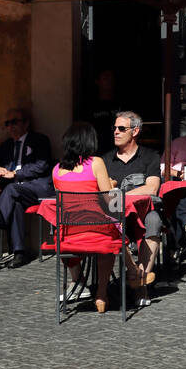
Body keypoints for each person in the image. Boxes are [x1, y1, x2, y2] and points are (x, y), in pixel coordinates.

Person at [53, 121, 123, 314]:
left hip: (69, 232)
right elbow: (109, 198)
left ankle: (78, 280)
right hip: (96, 228)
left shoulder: (57, 170)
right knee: (111, 238)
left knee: (62, 235)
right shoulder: (96, 163)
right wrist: (111, 182)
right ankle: (101, 293)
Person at [0, 107, 54, 266]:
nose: (10, 126)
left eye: (14, 122)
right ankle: (19, 253)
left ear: (26, 123)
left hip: (39, 188)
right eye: (7, 123)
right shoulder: (7, 146)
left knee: (11, 189)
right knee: (14, 200)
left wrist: (16, 174)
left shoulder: (40, 140)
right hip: (16, 193)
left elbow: (41, 166)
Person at [102, 111, 163, 299]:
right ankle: (134, 275)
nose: (116, 132)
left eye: (121, 128)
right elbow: (101, 193)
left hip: (143, 212)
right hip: (115, 214)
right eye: (114, 128)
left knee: (154, 220)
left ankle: (141, 281)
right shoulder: (106, 160)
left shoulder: (150, 156)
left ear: (135, 131)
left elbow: (152, 188)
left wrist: (122, 195)